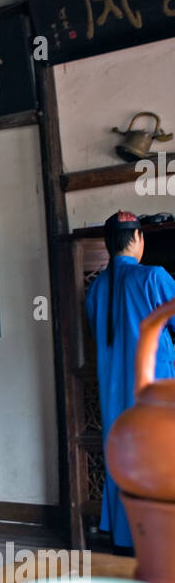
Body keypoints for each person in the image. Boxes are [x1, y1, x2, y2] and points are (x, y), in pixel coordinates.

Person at [85, 211, 175, 552]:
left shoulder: (97, 288)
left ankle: (127, 541)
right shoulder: (153, 276)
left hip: (113, 394)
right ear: (137, 239)